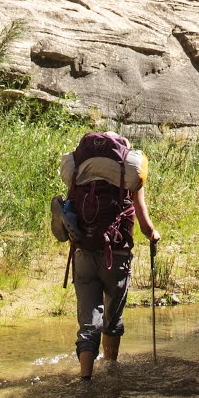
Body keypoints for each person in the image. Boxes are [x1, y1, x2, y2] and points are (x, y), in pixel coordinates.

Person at [60, 130, 159, 380]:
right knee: (112, 317)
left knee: (88, 320)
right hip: (116, 252)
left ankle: (85, 378)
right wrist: (152, 234)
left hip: (82, 249)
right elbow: (142, 215)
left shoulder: (80, 171)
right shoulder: (127, 173)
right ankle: (110, 369)